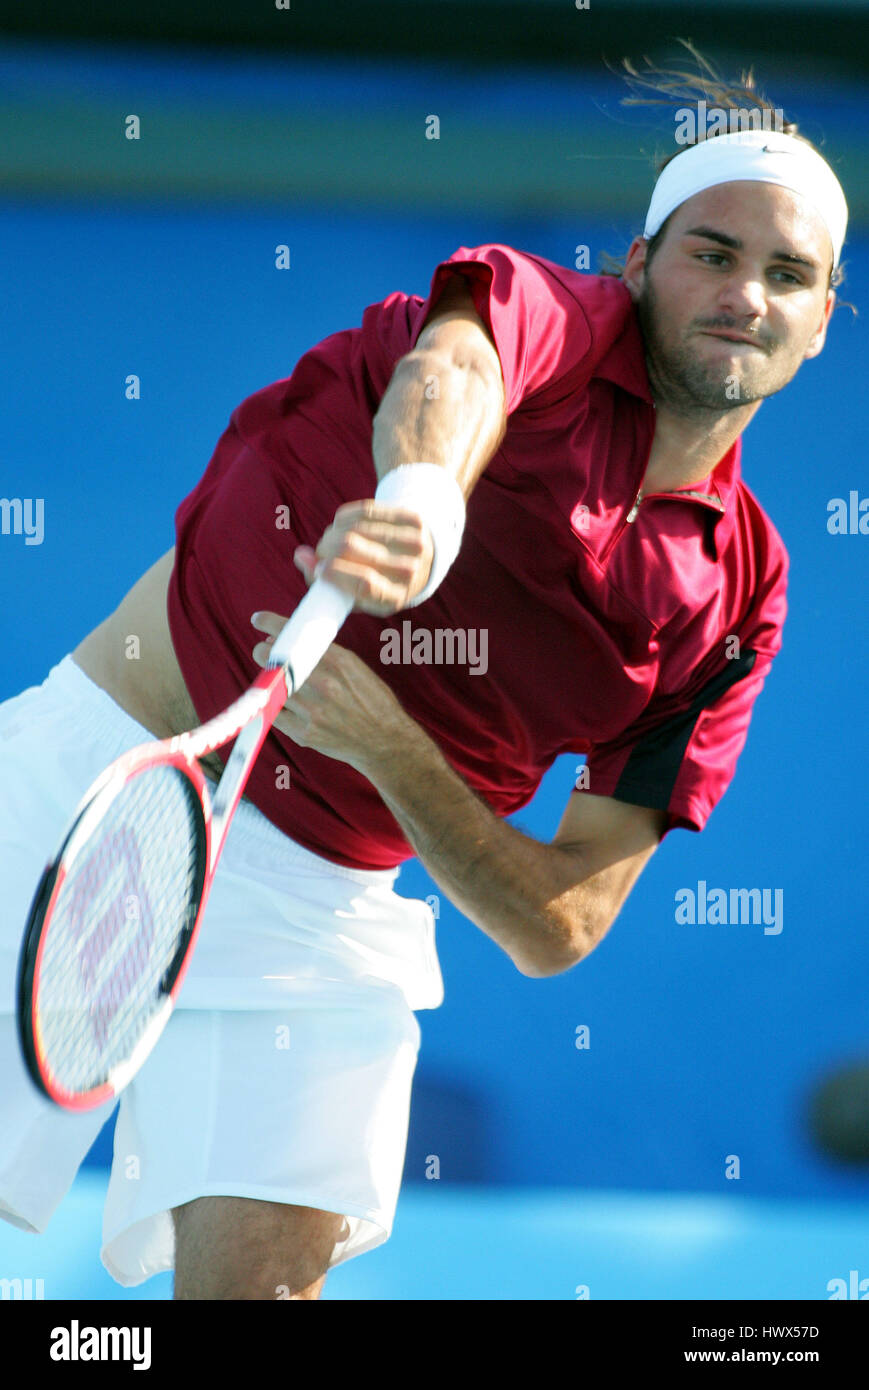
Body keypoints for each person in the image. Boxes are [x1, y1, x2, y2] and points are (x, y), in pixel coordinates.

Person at [0, 60, 847, 1299]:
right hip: (88, 776)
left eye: (786, 276)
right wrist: (423, 498)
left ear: (823, 317)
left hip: (323, 904)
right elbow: (453, 375)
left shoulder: (737, 598)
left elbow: (559, 923)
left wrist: (393, 753)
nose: (742, 295)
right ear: (636, 263)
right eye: (710, 254)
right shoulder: (541, 310)